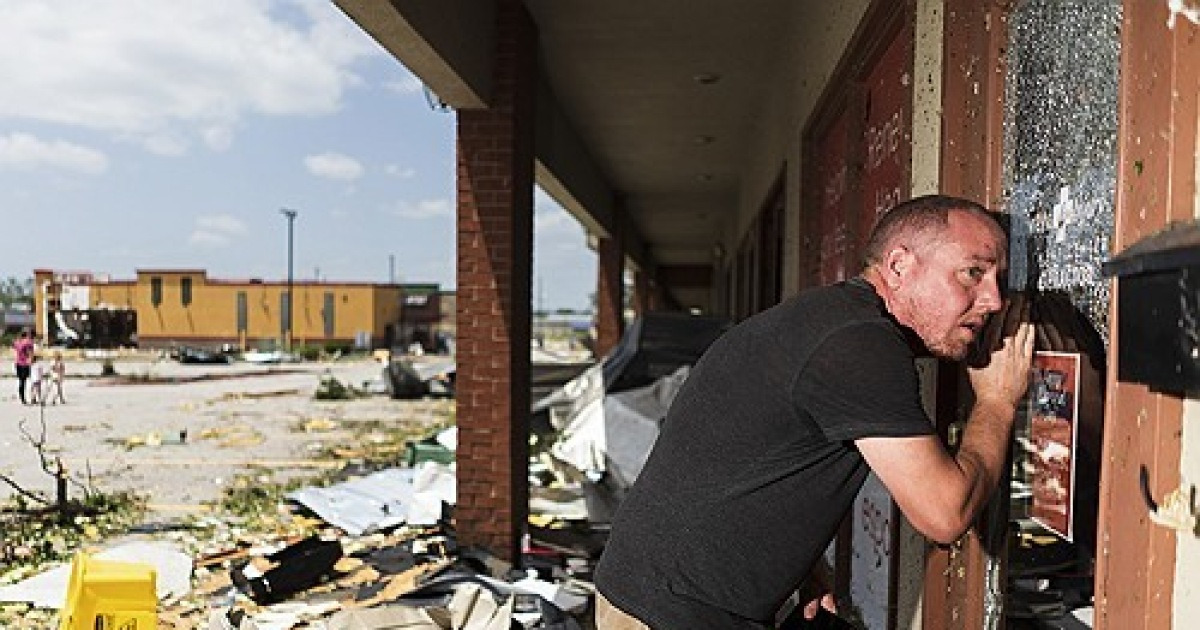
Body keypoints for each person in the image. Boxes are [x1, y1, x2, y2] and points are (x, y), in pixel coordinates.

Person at [593, 195, 1035, 629]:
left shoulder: (828, 319)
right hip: (673, 612)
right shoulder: (858, 343)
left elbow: (750, 452)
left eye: (998, 280)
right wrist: (997, 401)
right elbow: (944, 513)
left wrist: (797, 562)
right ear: (899, 266)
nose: (993, 300)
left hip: (650, 596)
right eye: (972, 273)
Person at [12, 329, 34, 405]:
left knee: (21, 381)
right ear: (27, 335)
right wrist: (30, 361)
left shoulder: (16, 342)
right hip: (25, 363)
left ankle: (22, 398)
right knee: (29, 380)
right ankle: (31, 397)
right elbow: (30, 353)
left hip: (18, 363)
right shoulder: (28, 342)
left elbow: (15, 353)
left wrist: (15, 362)